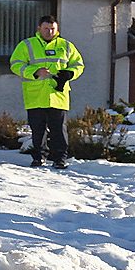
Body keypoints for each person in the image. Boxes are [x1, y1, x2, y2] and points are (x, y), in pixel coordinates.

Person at [9, 15, 84, 169]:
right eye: (46, 28)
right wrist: (35, 72)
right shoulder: (27, 45)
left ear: (57, 29)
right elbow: (15, 64)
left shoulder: (66, 46)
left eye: (52, 29)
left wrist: (69, 74)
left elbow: (79, 64)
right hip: (35, 95)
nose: (49, 31)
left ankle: (60, 159)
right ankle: (38, 157)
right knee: (38, 130)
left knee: (59, 130)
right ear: (39, 28)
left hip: (58, 95)